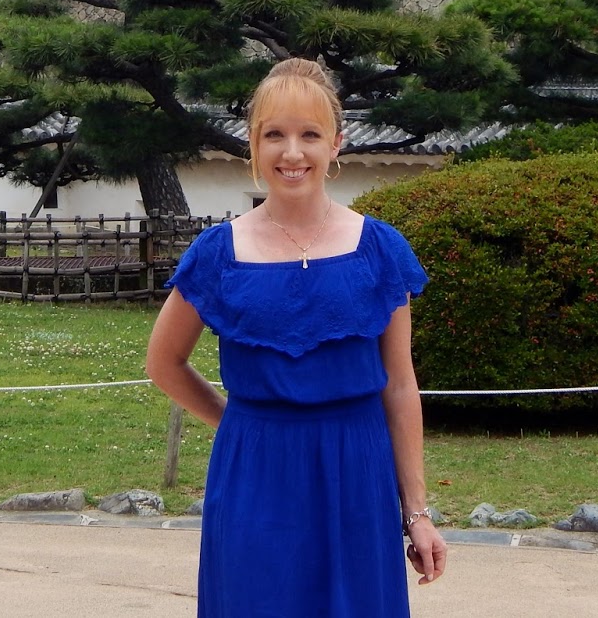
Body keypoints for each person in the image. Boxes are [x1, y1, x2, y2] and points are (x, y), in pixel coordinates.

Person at [146, 58, 448, 616]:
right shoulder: (217, 253)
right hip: (254, 474)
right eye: (274, 135)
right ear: (253, 146)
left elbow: (401, 386)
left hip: (357, 469)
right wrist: (236, 422)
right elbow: (164, 363)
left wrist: (417, 512)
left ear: (336, 144)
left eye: (309, 134)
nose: (292, 153)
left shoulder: (379, 250)